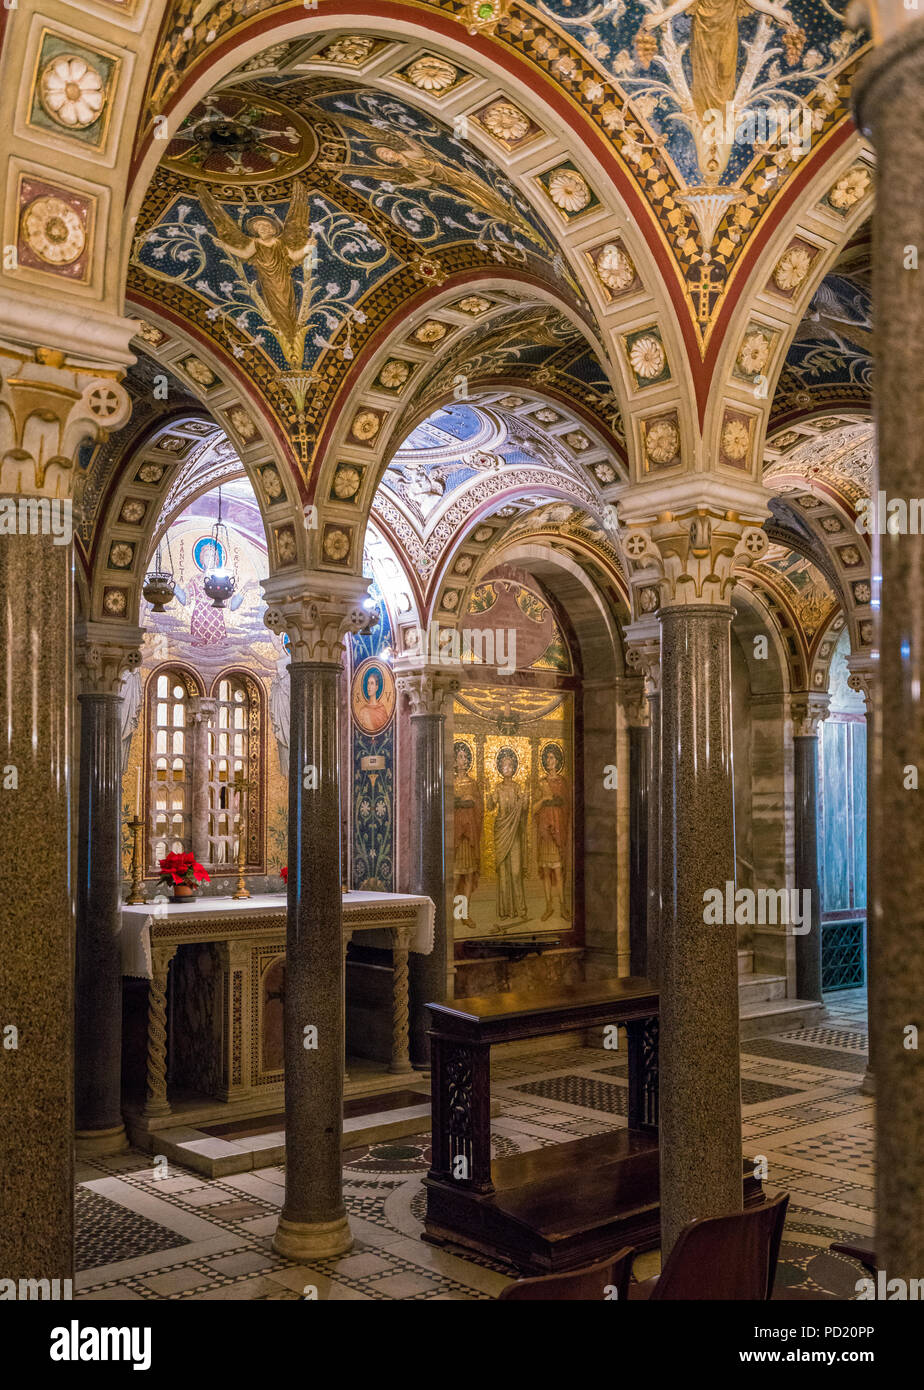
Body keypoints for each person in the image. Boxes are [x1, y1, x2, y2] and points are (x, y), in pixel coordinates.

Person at [487, 748, 529, 925]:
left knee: (516, 871)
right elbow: (490, 807)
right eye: (504, 764)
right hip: (501, 831)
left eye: (510, 765)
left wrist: (526, 796)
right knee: (503, 873)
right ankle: (505, 910)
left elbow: (524, 808)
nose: (507, 767)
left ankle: (521, 909)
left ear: (514, 768)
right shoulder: (498, 788)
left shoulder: (517, 787)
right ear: (499, 767)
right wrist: (488, 791)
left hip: (515, 833)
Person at [534, 745, 571, 922]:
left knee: (558, 871)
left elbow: (567, 806)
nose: (550, 761)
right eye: (547, 758)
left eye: (553, 758)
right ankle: (549, 905)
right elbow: (534, 808)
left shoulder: (562, 782)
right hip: (545, 834)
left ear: (558, 760)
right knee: (547, 871)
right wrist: (544, 800)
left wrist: (557, 805)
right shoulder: (541, 783)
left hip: (557, 831)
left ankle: (563, 905)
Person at [452, 742, 482, 928]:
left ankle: (464, 913)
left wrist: (472, 801)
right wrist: (460, 801)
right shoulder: (451, 782)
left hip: (469, 836)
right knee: (455, 878)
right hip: (456, 836)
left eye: (465, 757)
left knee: (469, 876)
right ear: (454, 761)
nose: (464, 760)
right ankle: (452, 913)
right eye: (461, 756)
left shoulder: (472, 783)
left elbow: (479, 807)